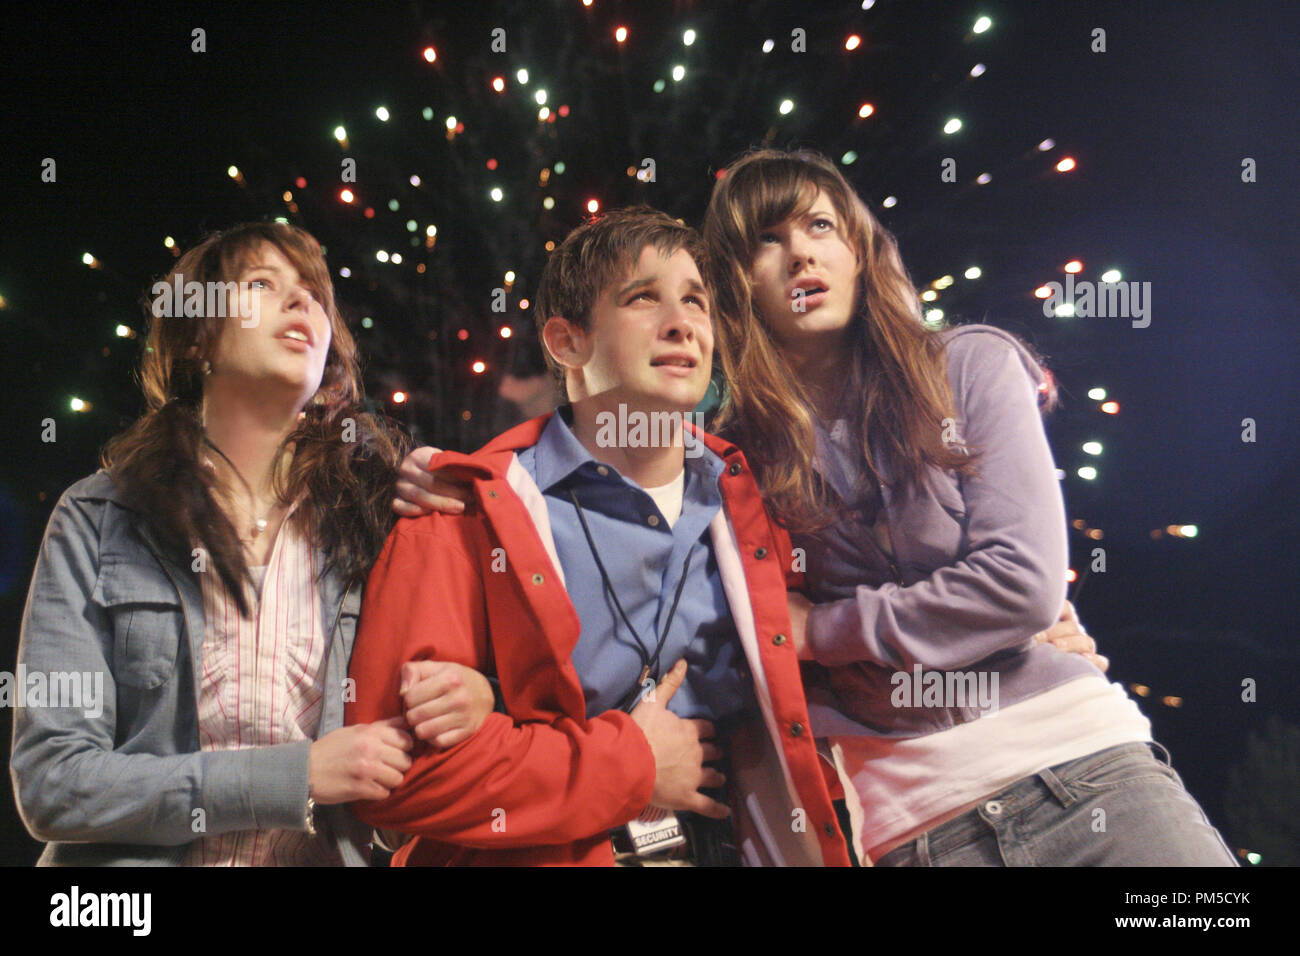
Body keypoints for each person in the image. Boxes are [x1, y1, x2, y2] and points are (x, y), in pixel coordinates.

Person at [699, 148, 1236, 866]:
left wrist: (824, 631)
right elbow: (737, 656)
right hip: (910, 823)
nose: (800, 254)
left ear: (859, 251)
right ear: (736, 285)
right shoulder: (729, 460)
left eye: (820, 226)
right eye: (767, 239)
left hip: (1086, 773)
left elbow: (1021, 585)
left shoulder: (969, 367)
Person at [347, 207, 851, 866]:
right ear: (567, 344)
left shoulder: (763, 501)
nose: (682, 322)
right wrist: (630, 767)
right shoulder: (461, 512)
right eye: (644, 298)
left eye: (696, 301)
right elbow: (398, 777)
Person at [10, 222, 494, 865]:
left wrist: (478, 694)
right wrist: (295, 778)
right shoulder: (99, 516)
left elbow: (456, 715)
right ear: (197, 338)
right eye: (263, 284)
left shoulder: (381, 518)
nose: (302, 303)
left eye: (313, 293)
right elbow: (54, 785)